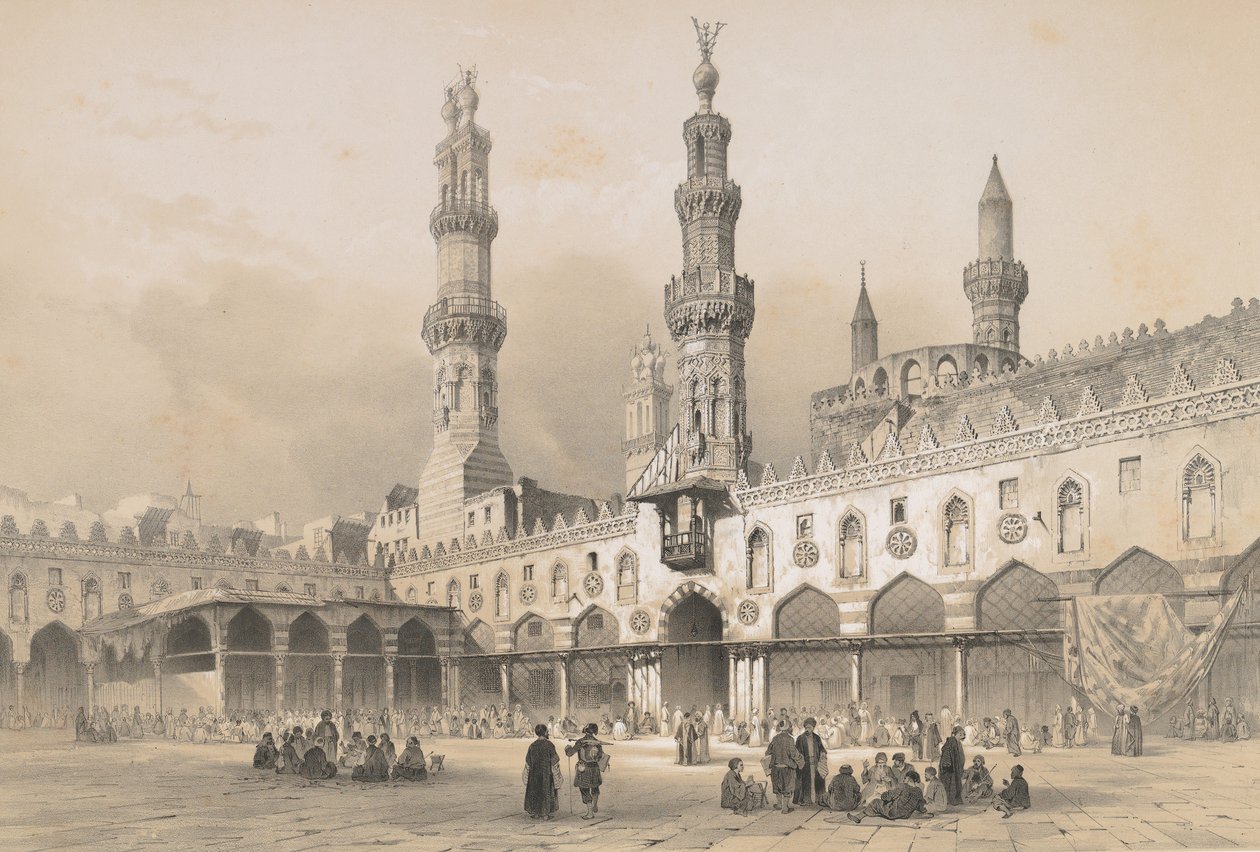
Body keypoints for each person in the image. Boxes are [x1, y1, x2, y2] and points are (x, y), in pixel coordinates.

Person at [846, 769, 927, 823]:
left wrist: (883, 795)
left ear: (909, 779)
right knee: (882, 806)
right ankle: (870, 813)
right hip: (906, 815)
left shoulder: (903, 786)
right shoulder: (918, 791)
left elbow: (888, 796)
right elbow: (920, 805)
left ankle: (859, 817)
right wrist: (924, 811)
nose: (903, 779)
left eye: (905, 778)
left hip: (894, 813)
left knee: (875, 802)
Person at [564, 723, 606, 820]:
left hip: (584, 769)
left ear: (585, 731)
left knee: (585, 789)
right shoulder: (597, 743)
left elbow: (570, 753)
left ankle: (590, 813)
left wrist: (567, 748)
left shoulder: (581, 742)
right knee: (595, 787)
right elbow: (601, 756)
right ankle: (595, 804)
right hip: (595, 768)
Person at [765, 720, 804, 813]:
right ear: (788, 728)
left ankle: (779, 804)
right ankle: (785, 808)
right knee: (787, 787)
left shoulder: (775, 738)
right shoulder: (790, 739)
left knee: (777, 786)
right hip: (787, 768)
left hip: (775, 768)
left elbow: (768, 751)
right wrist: (801, 760)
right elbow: (794, 754)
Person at [524, 724, 561, 820]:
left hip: (534, 774)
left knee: (535, 791)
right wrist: (557, 775)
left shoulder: (532, 746)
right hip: (546, 774)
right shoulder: (549, 745)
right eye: (547, 731)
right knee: (546, 792)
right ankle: (545, 815)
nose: (548, 733)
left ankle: (536, 813)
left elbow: (528, 762)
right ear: (544, 733)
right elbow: (555, 760)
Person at [792, 717, 827, 807]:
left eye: (810, 727)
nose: (808, 729)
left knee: (818, 781)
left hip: (815, 763)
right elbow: (797, 752)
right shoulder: (800, 738)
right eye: (806, 727)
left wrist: (823, 753)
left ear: (813, 728)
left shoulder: (817, 738)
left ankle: (819, 799)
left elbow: (822, 749)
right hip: (805, 764)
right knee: (805, 781)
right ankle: (805, 800)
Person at [939, 725, 966, 806]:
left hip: (956, 768)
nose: (962, 735)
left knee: (956, 783)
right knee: (949, 784)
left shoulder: (958, 743)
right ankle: (949, 800)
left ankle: (955, 799)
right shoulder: (951, 742)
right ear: (955, 734)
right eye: (960, 734)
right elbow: (946, 753)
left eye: (962, 734)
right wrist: (947, 765)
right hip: (949, 768)